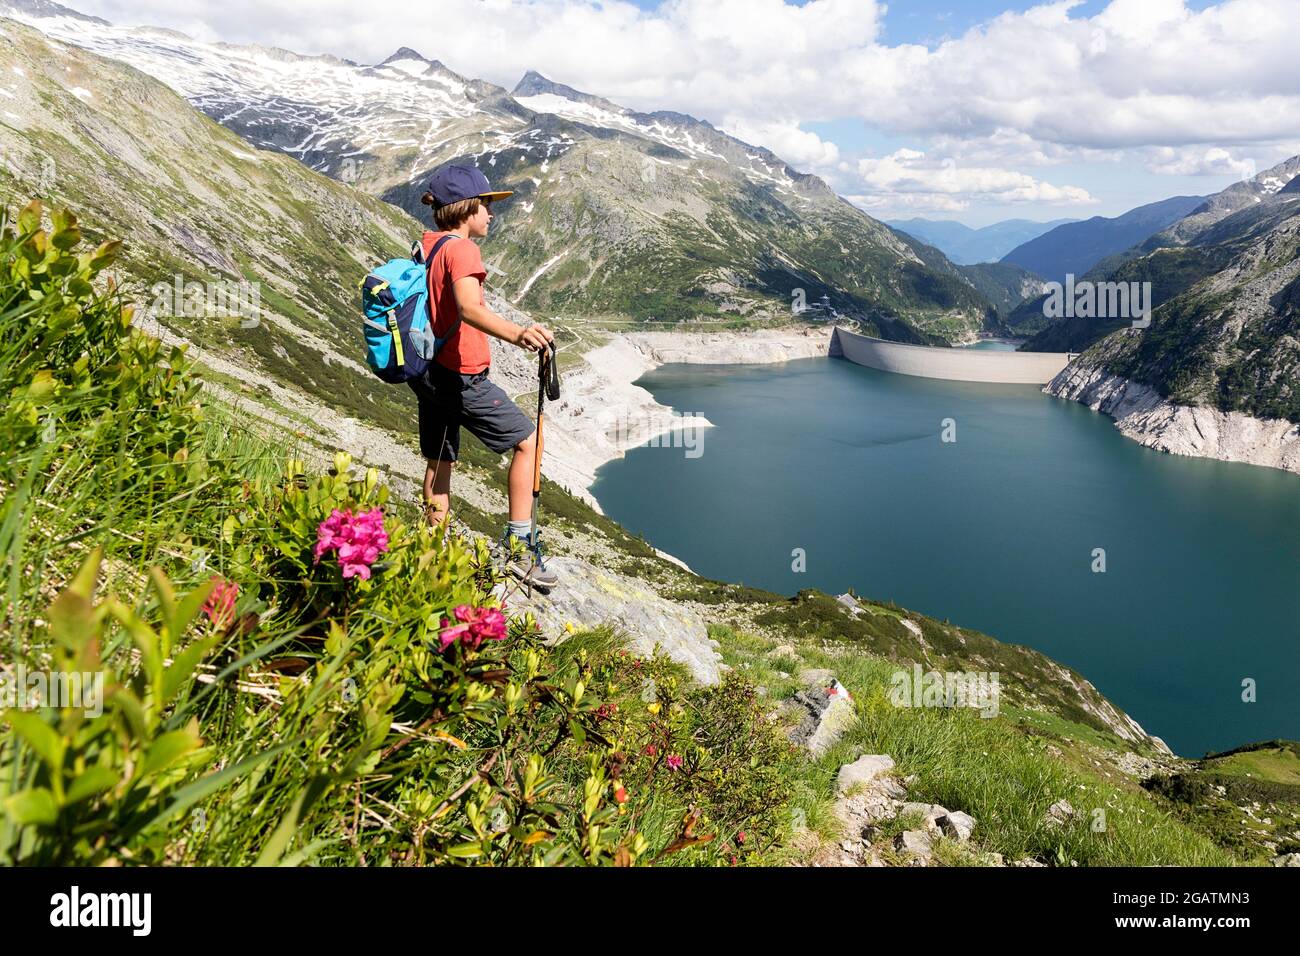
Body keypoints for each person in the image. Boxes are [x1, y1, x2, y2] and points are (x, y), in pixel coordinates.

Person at [411, 162, 558, 588]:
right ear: (467, 207)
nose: (491, 214)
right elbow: (469, 308)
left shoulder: (429, 245)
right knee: (529, 443)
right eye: (487, 205)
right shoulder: (462, 250)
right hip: (461, 377)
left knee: (440, 461)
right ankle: (518, 549)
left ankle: (429, 552)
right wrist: (519, 334)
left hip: (429, 373)